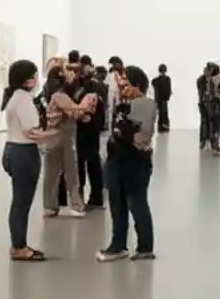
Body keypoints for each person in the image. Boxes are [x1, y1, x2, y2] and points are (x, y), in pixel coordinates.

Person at [98, 66, 157, 262]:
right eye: (122, 81)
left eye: (128, 82)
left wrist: (125, 134)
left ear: (138, 84)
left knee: (137, 203)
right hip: (119, 159)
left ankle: (144, 247)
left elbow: (142, 136)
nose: (123, 85)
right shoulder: (123, 102)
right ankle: (119, 244)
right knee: (118, 204)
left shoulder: (144, 104)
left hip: (133, 161)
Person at [1, 60, 56, 261]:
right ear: (29, 80)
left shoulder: (14, 97)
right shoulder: (23, 99)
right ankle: (19, 246)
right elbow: (31, 132)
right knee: (21, 203)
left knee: (19, 201)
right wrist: (53, 135)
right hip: (23, 153)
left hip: (12, 149)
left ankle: (18, 244)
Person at [42, 58, 96, 218]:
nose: (73, 75)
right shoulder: (59, 95)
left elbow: (73, 113)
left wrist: (82, 113)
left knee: (68, 172)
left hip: (64, 136)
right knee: (58, 173)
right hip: (58, 136)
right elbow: (75, 110)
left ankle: (67, 205)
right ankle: (67, 205)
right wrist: (88, 103)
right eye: (69, 72)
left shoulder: (62, 95)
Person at [77, 57, 109, 209]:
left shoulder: (92, 87)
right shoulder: (93, 86)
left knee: (89, 162)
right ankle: (86, 196)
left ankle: (92, 196)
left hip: (88, 130)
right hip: (87, 129)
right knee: (86, 163)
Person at [200, 63, 220, 156]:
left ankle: (214, 146)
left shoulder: (206, 80)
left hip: (209, 104)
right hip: (215, 103)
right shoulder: (217, 80)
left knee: (212, 125)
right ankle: (215, 146)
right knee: (217, 124)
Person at [152, 64, 173, 133]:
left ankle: (163, 126)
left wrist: (167, 96)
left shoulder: (161, 80)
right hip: (161, 99)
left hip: (162, 99)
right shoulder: (165, 79)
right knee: (162, 112)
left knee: (162, 112)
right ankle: (162, 126)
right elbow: (169, 89)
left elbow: (169, 89)